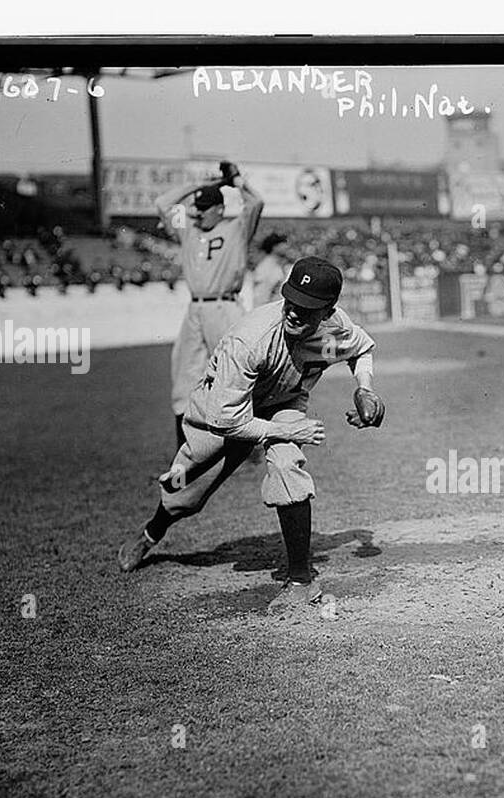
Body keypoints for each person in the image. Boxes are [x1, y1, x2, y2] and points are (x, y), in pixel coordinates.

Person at [116, 257, 386, 615]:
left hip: (284, 401)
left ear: (327, 311)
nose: (293, 313)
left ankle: (301, 582)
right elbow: (225, 419)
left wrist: (365, 388)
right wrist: (281, 429)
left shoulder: (334, 327)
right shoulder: (251, 337)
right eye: (291, 302)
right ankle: (151, 532)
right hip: (221, 408)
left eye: (306, 309)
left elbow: (362, 348)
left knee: (287, 464)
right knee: (185, 491)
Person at [152, 161, 265, 450]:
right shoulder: (189, 229)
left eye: (204, 208)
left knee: (236, 373)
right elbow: (163, 203)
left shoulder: (236, 227)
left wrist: (235, 180)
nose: (197, 212)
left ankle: (246, 440)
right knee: (184, 373)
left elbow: (256, 201)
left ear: (219, 209)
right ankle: (185, 446)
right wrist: (204, 186)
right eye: (196, 208)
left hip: (225, 307)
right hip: (196, 308)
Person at [242, 233, 291, 312]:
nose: (286, 247)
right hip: (265, 311)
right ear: (274, 247)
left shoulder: (276, 265)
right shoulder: (267, 266)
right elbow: (261, 295)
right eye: (282, 244)